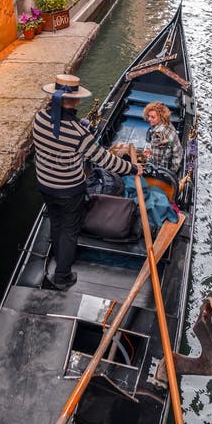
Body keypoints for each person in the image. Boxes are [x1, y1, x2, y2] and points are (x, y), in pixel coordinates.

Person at [33, 73, 142, 290]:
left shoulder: (39, 118)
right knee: (69, 230)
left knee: (56, 222)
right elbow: (105, 159)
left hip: (45, 184)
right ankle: (63, 275)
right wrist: (132, 167)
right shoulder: (79, 132)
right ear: (74, 101)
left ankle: (56, 255)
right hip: (68, 189)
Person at [142, 101, 183, 173]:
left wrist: (146, 157)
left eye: (153, 117)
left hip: (165, 170)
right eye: (148, 116)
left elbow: (156, 160)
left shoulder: (158, 133)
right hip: (176, 161)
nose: (149, 119)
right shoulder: (168, 123)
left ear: (161, 117)